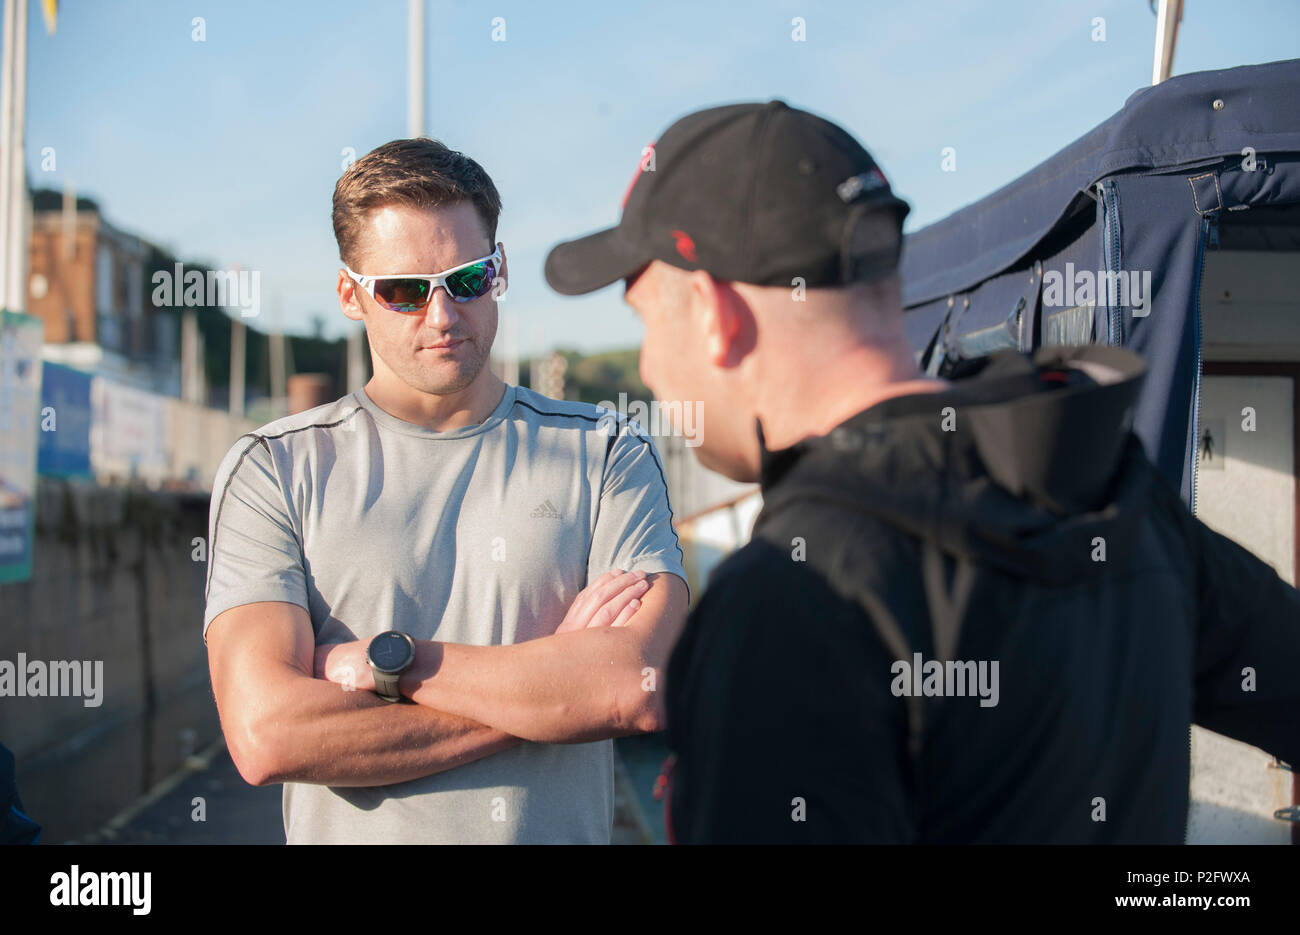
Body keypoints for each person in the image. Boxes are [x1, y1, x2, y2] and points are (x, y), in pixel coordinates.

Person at [543, 100, 1300, 843]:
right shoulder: (1100, 475)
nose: (645, 363)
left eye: (644, 319)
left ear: (716, 313)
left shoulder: (790, 596)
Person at [204, 138, 689, 844]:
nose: (441, 316)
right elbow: (266, 734)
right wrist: (552, 689)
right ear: (349, 294)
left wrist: (388, 666)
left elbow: (632, 685)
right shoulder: (274, 469)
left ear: (497, 271)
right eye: (401, 291)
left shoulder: (607, 449)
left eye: (466, 280)